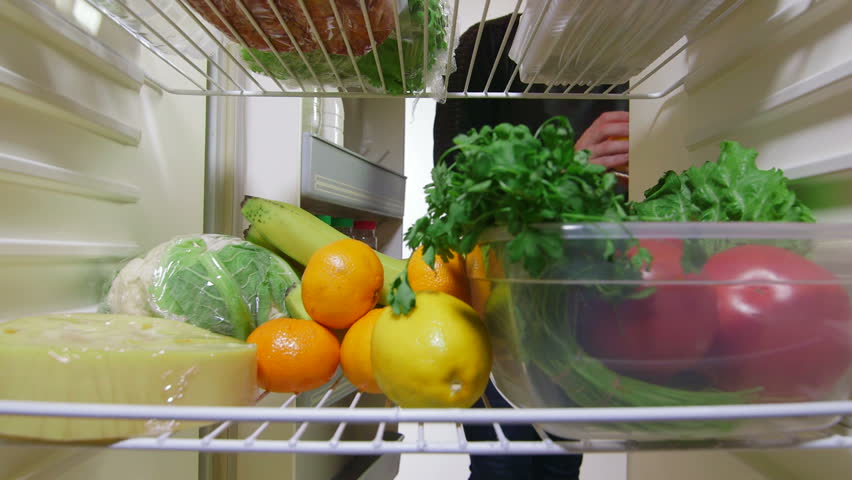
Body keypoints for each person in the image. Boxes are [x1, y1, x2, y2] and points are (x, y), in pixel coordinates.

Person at [432, 13, 630, 480]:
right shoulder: (487, 44)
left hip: (585, 291)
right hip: (501, 290)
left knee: (562, 456)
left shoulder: (630, 44)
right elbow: (453, 179)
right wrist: (566, 166)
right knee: (502, 459)